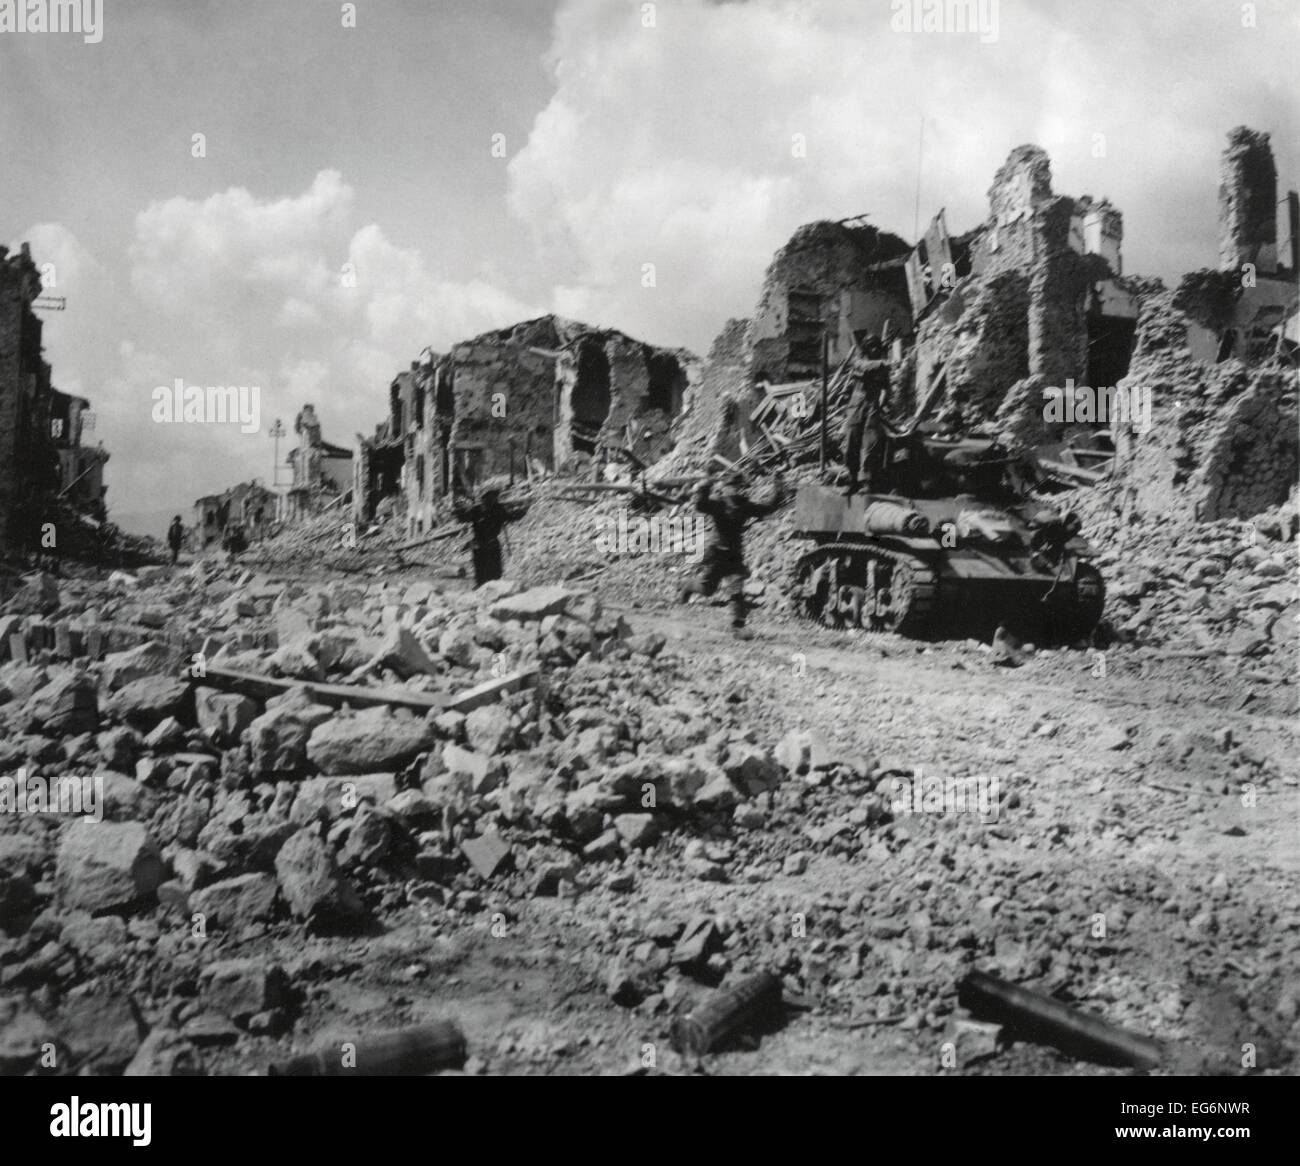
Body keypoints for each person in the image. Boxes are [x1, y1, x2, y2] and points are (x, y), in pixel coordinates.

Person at [679, 468, 788, 639]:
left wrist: (778, 485)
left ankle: (737, 627)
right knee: (707, 589)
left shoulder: (745, 506)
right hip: (717, 553)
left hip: (734, 555)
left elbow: (769, 507)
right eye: (734, 486)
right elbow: (700, 505)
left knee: (736, 590)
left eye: (740, 487)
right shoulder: (719, 503)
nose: (738, 490)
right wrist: (704, 487)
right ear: (726, 487)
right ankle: (688, 586)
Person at [841, 348, 891, 496]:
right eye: (872, 346)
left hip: (871, 406)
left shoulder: (881, 369)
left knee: (870, 445)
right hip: (855, 406)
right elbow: (863, 366)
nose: (875, 350)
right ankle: (852, 481)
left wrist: (881, 404)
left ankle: (867, 482)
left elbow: (886, 388)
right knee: (851, 444)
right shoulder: (858, 362)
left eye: (877, 347)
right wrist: (883, 362)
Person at [453, 487, 526, 587]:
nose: (494, 499)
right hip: (479, 545)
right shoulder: (476, 510)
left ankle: (495, 591)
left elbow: (510, 517)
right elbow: (463, 518)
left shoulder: (498, 509)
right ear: (484, 498)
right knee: (481, 573)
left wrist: (521, 512)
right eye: (491, 497)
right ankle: (481, 589)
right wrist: (459, 510)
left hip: (492, 544)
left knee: (495, 573)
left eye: (495, 497)